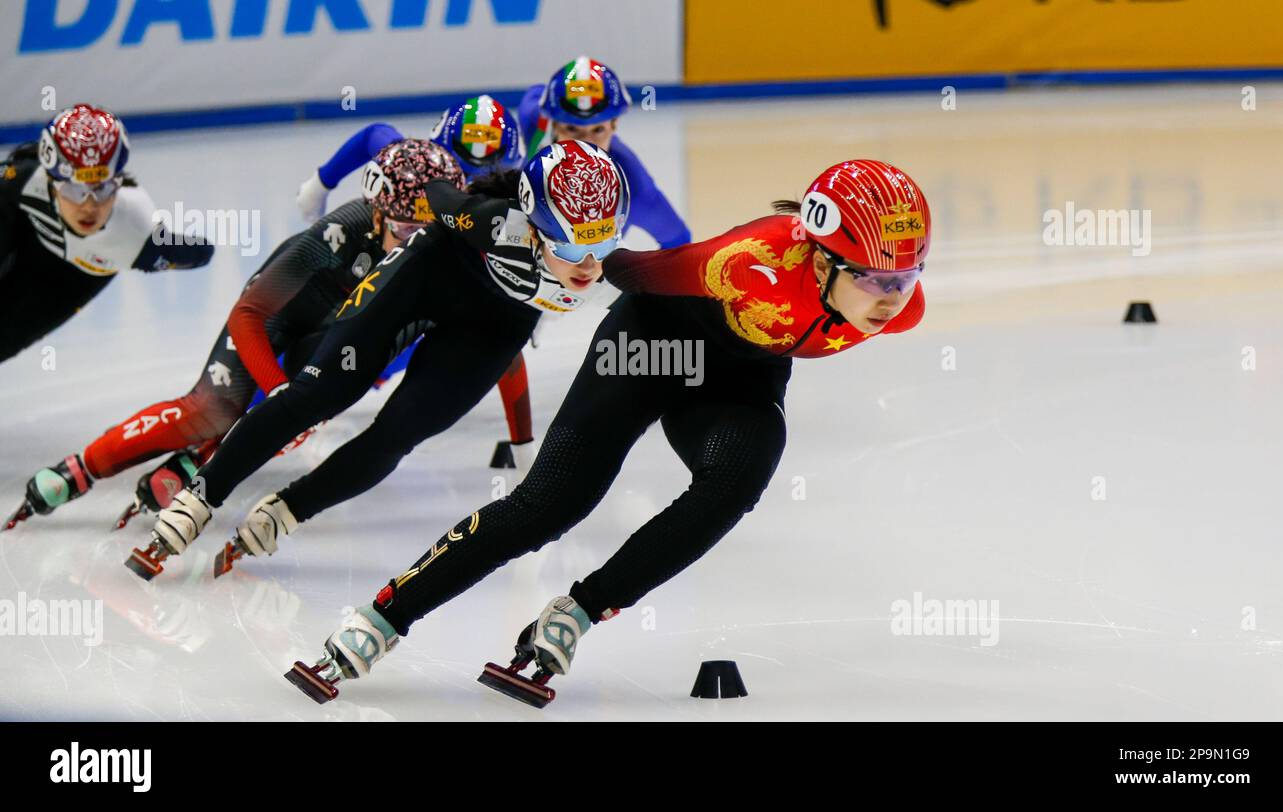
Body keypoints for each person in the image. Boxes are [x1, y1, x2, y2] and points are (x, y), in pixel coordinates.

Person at [285, 159, 931, 707]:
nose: (892, 299)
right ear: (820, 260)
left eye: (905, 278)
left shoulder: (899, 307)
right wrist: (546, 251)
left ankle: (577, 612)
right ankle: (383, 614)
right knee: (550, 505)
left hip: (738, 382)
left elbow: (862, 305)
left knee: (745, 469)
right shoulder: (749, 260)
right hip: (648, 348)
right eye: (875, 279)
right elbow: (635, 270)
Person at [131, 140, 632, 583]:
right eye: (569, 245)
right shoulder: (494, 223)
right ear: (535, 226)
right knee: (317, 393)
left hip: (491, 328)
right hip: (425, 275)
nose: (590, 265)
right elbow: (439, 197)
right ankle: (201, 496)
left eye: (602, 243)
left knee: (398, 435)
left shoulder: (615, 270)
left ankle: (287, 511)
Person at [4, 140, 463, 532]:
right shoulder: (341, 232)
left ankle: (197, 461)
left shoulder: (445, 253)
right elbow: (250, 312)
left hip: (337, 331)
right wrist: (276, 388)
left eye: (430, 231)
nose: (414, 244)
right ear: (378, 215)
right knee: (211, 408)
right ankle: (81, 469)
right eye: (404, 230)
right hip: (272, 318)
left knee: (312, 406)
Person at [296, 96, 536, 465]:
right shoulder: (417, 164)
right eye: (454, 175)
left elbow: (374, 135)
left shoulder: (500, 217)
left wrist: (322, 182)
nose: (461, 189)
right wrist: (321, 182)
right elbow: (375, 136)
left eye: (477, 184)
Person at [0, 103, 212, 364]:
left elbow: (202, 253)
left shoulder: (137, 234)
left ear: (118, 184)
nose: (89, 206)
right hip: (22, 227)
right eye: (75, 191)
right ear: (51, 181)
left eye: (101, 189)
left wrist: (169, 250)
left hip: (68, 279)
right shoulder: (22, 178)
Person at [522, 55, 690, 249]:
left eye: (598, 130)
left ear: (614, 125)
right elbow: (535, 93)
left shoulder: (634, 189)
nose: (585, 144)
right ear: (554, 124)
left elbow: (678, 243)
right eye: (572, 129)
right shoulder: (534, 121)